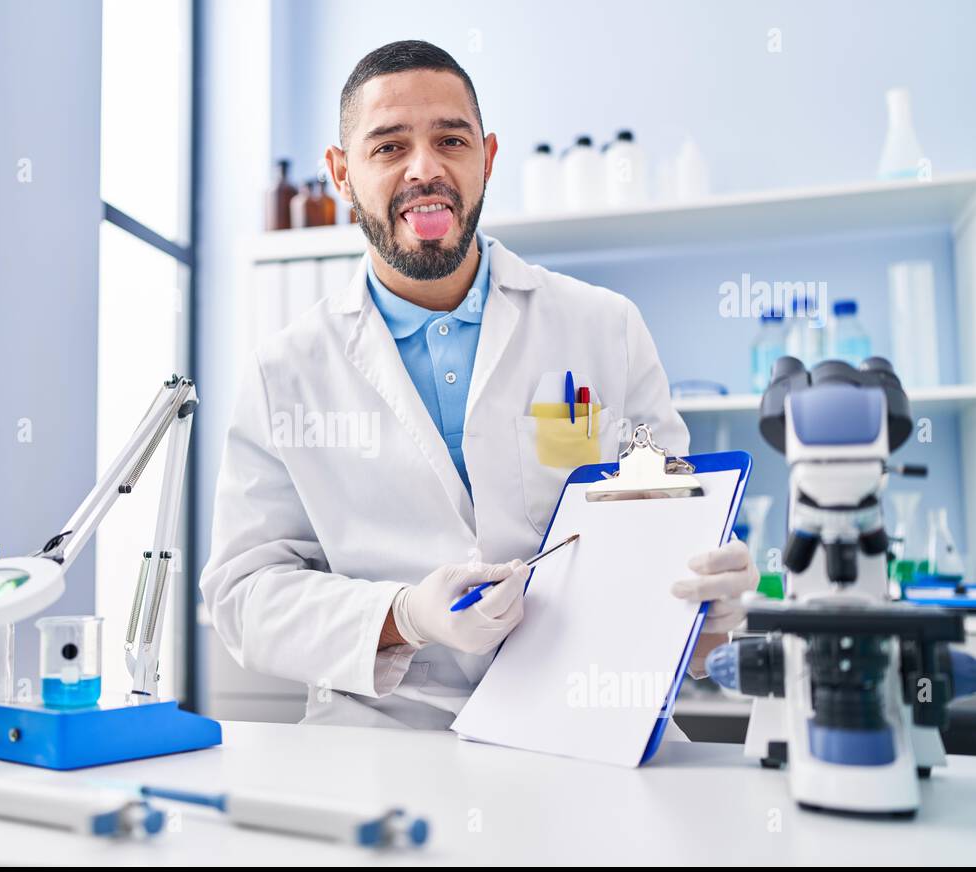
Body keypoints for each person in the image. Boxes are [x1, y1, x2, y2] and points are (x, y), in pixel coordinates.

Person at [201, 40, 756, 729]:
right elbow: (242, 594)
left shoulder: (604, 327)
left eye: (450, 140)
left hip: (589, 722)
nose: (425, 169)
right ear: (340, 175)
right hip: (384, 735)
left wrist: (706, 606)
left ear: (487, 158)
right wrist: (403, 617)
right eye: (388, 147)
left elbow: (670, 521)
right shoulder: (285, 372)